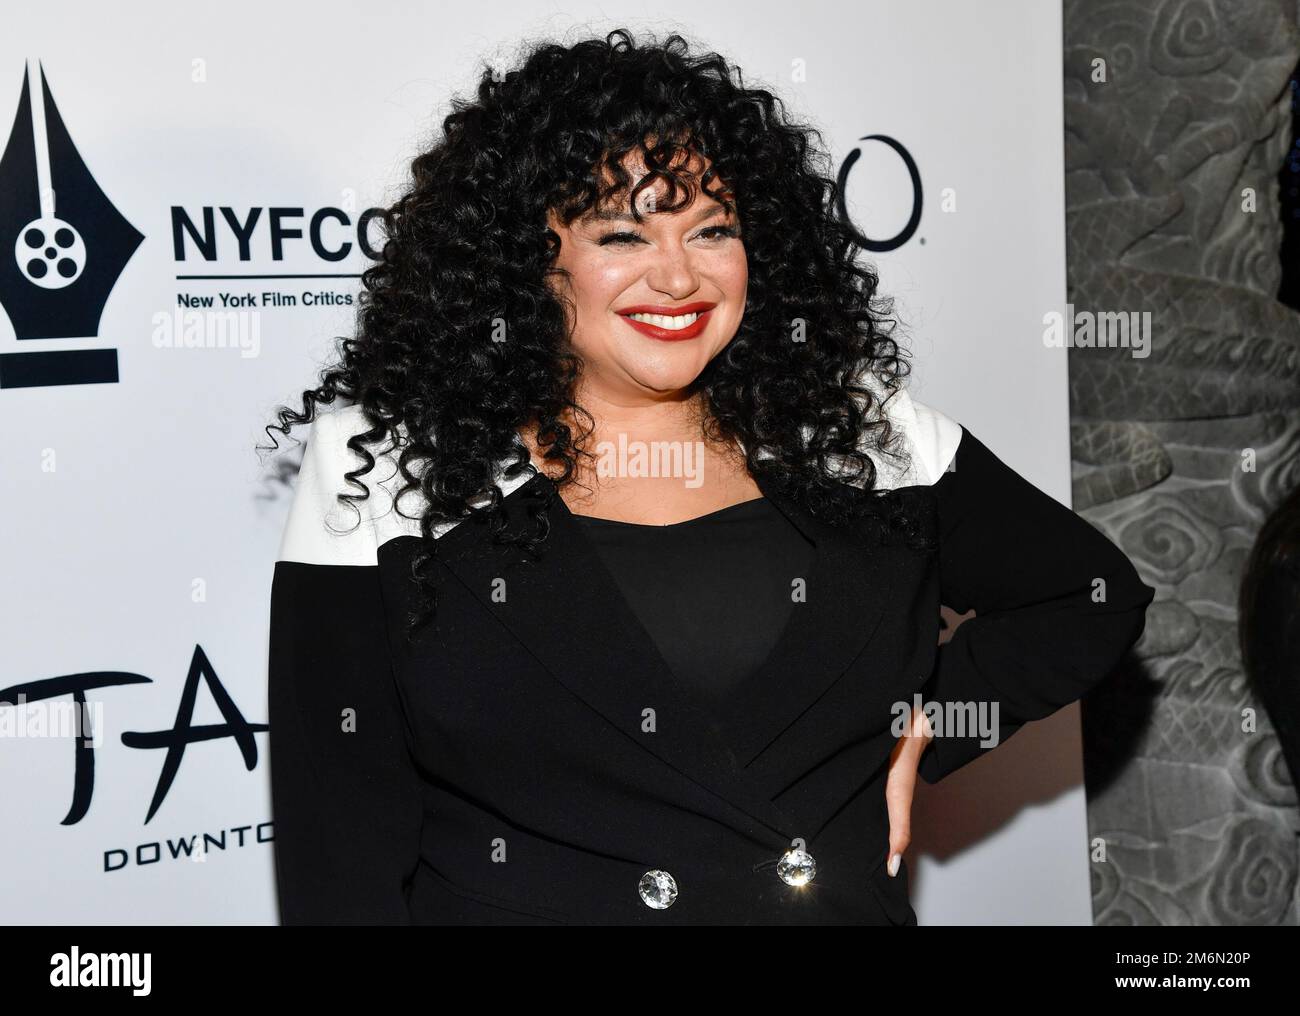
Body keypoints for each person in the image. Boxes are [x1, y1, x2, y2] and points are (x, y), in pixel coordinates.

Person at [263, 28, 1155, 925]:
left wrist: (936, 725)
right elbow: (340, 850)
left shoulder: (858, 432)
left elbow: (1091, 594)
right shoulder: (381, 470)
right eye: (622, 233)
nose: (679, 277)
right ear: (524, 258)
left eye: (713, 229)